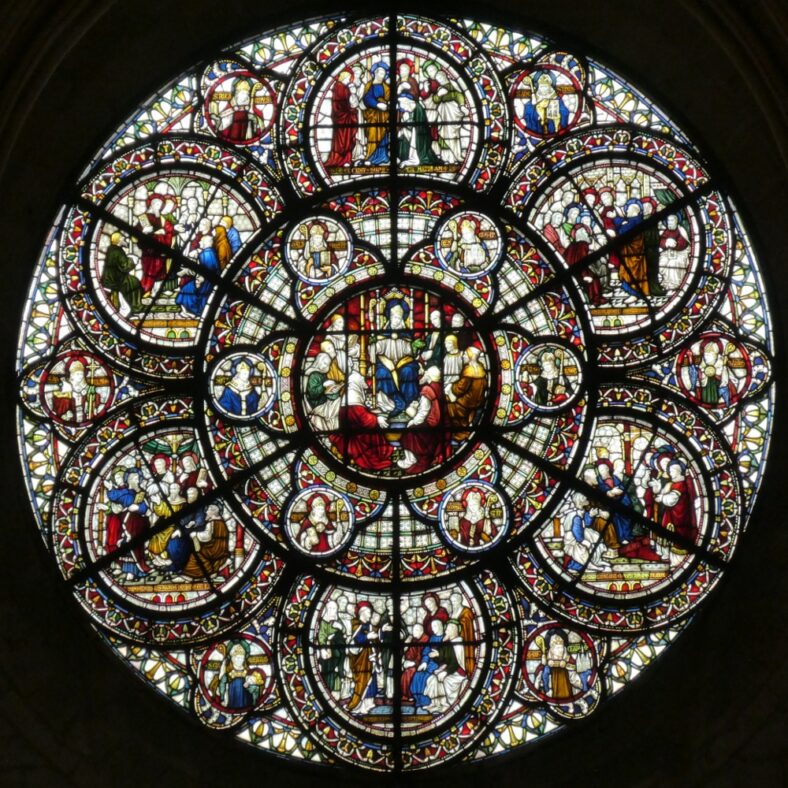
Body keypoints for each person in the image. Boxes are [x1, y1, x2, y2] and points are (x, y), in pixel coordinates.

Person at [329, 372, 394, 471]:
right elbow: (364, 420)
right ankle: (379, 454)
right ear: (357, 383)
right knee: (374, 430)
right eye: (362, 381)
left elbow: (359, 415)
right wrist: (377, 418)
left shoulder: (350, 394)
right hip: (357, 435)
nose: (364, 383)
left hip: (353, 429)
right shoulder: (353, 396)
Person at [372, 298, 420, 415]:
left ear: (403, 319)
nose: (396, 320)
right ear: (389, 318)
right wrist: (373, 344)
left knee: (408, 371)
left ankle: (408, 403)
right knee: (382, 374)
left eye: (399, 318)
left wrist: (415, 348)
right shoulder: (383, 334)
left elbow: (410, 353)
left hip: (403, 363)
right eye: (393, 317)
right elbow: (377, 350)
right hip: (385, 363)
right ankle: (396, 404)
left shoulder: (406, 335)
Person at [398, 366, 448, 473]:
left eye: (426, 373)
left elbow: (423, 413)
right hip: (441, 424)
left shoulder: (427, 389)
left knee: (408, 432)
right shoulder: (439, 387)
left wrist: (412, 422)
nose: (424, 374)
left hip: (431, 425)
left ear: (429, 376)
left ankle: (410, 459)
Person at [106, 468, 151, 577]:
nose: (134, 479)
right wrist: (110, 488)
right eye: (131, 477)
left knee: (138, 545)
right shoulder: (124, 492)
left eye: (136, 477)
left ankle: (138, 569)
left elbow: (146, 508)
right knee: (128, 544)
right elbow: (113, 496)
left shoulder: (142, 493)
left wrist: (138, 508)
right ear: (127, 479)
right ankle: (128, 570)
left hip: (139, 524)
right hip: (127, 522)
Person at [446, 346, 487, 441]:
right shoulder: (480, 368)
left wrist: (451, 386)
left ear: (470, 356)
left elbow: (459, 389)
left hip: (466, 401)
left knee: (449, 404)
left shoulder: (469, 371)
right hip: (477, 401)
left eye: (465, 354)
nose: (463, 356)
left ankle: (461, 433)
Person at [139, 194, 176, 294]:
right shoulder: (143, 218)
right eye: (156, 204)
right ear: (151, 203)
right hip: (149, 250)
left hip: (160, 250)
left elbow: (168, 228)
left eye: (160, 205)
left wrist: (168, 231)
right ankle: (146, 290)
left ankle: (157, 290)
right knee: (149, 271)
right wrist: (147, 232)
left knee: (161, 270)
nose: (158, 206)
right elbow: (138, 234)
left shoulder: (161, 219)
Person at [182, 503, 229, 578]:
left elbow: (207, 537)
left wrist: (195, 534)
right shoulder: (221, 522)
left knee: (195, 555)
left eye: (209, 510)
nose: (206, 512)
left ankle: (191, 573)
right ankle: (212, 571)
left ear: (214, 511)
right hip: (221, 548)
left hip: (213, 549)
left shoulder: (212, 523)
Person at [614, 200, 650, 299]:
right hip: (631, 252)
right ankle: (637, 292)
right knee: (633, 272)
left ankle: (635, 293)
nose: (626, 211)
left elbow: (622, 231)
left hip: (633, 253)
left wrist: (618, 220)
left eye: (628, 209)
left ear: (636, 210)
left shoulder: (635, 221)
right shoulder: (636, 220)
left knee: (632, 273)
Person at [175, 235, 219, 315]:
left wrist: (186, 272)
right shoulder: (211, 253)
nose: (199, 242)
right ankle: (187, 311)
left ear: (206, 243)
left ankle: (191, 311)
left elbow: (204, 272)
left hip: (204, 285)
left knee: (186, 289)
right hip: (208, 283)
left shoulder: (205, 255)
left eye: (201, 241)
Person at [561, 492, 605, 572]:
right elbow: (576, 531)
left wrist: (591, 515)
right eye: (585, 499)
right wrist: (583, 541)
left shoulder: (581, 511)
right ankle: (589, 564)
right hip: (573, 540)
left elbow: (585, 523)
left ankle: (597, 560)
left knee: (596, 537)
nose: (587, 499)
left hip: (579, 534)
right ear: (581, 501)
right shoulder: (575, 515)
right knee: (583, 548)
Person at [101, 231, 144, 313]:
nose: (125, 240)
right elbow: (125, 267)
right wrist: (133, 261)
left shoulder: (113, 249)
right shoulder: (117, 251)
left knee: (133, 281)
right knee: (134, 283)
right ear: (118, 240)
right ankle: (136, 307)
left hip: (112, 277)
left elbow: (120, 264)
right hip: (115, 280)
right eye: (123, 239)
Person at [347, 602, 378, 713]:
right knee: (362, 680)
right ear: (362, 612)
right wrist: (367, 636)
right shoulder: (355, 624)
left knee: (371, 680)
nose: (371, 615)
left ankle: (369, 703)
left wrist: (375, 653)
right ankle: (358, 705)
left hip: (370, 658)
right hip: (360, 659)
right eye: (369, 612)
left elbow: (376, 642)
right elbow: (356, 640)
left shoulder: (371, 626)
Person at [51, 357, 100, 422]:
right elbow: (60, 408)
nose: (80, 376)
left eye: (81, 374)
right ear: (72, 375)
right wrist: (65, 416)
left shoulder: (89, 389)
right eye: (77, 374)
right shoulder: (66, 389)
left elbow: (95, 404)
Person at [325, 69, 358, 168]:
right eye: (348, 78)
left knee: (347, 140)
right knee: (340, 141)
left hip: (347, 117)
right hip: (341, 118)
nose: (349, 80)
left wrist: (352, 93)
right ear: (343, 77)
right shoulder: (339, 86)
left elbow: (352, 104)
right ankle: (339, 160)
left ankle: (346, 160)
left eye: (350, 78)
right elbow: (340, 104)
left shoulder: (346, 88)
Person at [409, 619, 444, 711]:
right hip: (429, 663)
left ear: (440, 626)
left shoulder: (444, 638)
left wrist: (439, 655)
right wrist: (424, 662)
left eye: (435, 626)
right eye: (432, 627)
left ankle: (426, 701)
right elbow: (426, 652)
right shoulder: (432, 638)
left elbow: (447, 654)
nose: (433, 629)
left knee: (425, 678)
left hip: (438, 664)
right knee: (417, 675)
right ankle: (419, 701)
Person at [218, 641, 263, 710]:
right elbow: (222, 684)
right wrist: (222, 697)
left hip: (247, 702)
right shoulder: (228, 674)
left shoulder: (249, 672)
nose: (239, 660)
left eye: (241, 658)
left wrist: (251, 686)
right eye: (237, 657)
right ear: (232, 658)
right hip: (232, 701)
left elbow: (256, 686)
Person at [563, 225, 602, 305]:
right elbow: (582, 261)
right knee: (594, 279)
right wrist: (585, 275)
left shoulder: (571, 246)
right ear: (580, 234)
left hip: (569, 272)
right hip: (580, 272)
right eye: (585, 232)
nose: (587, 234)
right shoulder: (583, 245)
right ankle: (593, 299)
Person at [362, 62, 390, 165]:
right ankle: (371, 156)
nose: (381, 75)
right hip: (372, 115)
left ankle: (383, 157)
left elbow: (390, 98)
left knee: (384, 136)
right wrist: (377, 104)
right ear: (375, 73)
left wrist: (386, 104)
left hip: (383, 115)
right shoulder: (369, 85)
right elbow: (366, 98)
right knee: (372, 134)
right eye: (379, 73)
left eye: (383, 73)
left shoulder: (386, 87)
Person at [318, 600, 346, 693]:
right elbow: (321, 637)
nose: (333, 610)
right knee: (329, 672)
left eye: (335, 608)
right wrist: (324, 646)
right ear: (327, 609)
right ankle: (327, 689)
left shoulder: (336, 621)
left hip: (338, 652)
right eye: (331, 608)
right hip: (328, 653)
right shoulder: (322, 623)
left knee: (337, 672)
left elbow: (343, 631)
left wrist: (340, 628)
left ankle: (337, 691)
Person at [658, 215, 691, 291]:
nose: (670, 222)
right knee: (661, 262)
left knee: (673, 264)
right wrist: (665, 243)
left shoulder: (681, 230)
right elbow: (661, 241)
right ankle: (666, 283)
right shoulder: (666, 231)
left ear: (676, 221)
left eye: (672, 220)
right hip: (667, 253)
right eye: (668, 221)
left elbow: (683, 244)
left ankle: (674, 285)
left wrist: (675, 244)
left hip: (681, 253)